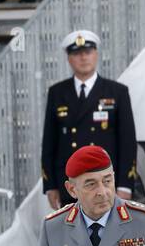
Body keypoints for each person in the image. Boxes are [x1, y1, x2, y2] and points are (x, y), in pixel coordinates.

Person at [40, 28, 135, 210]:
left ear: (96, 55)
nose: (83, 58)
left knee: (110, 237)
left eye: (88, 52)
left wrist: (124, 184)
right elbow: (49, 143)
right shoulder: (57, 93)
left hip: (106, 183)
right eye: (77, 53)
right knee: (74, 236)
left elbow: (127, 143)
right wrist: (50, 185)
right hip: (71, 183)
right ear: (69, 59)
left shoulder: (117, 92)